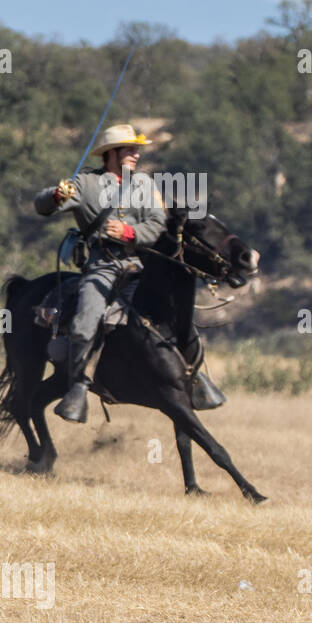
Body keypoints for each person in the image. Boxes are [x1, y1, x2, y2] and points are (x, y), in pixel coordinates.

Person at [33, 122, 225, 421]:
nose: (136, 154)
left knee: (177, 316)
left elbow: (157, 224)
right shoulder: (85, 184)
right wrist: (56, 195)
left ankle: (195, 376)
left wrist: (130, 232)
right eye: (130, 149)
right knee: (86, 321)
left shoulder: (144, 185)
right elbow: (42, 206)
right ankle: (79, 386)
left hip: (138, 265)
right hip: (102, 266)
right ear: (111, 153)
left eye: (137, 149)